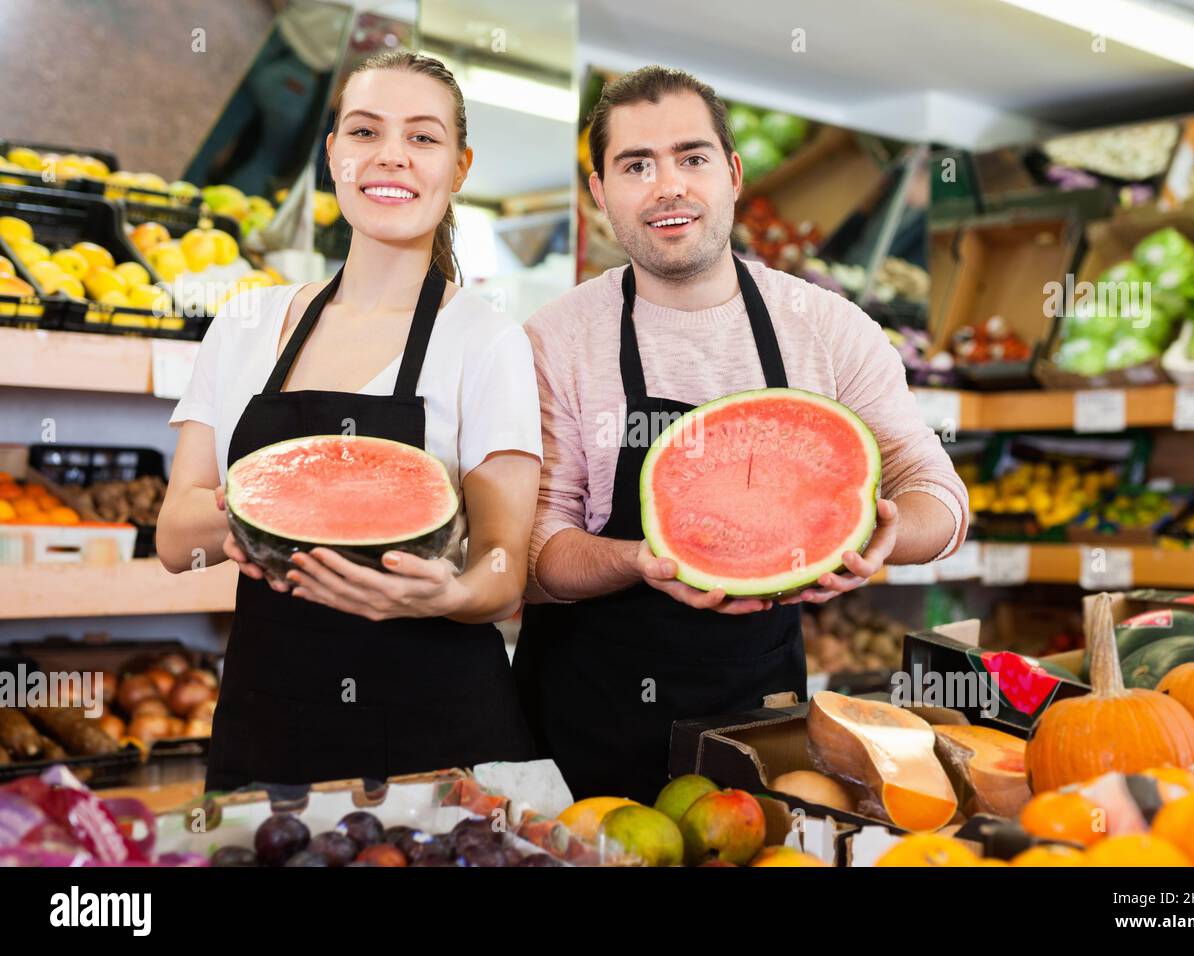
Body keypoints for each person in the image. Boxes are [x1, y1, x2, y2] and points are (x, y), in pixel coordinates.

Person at [513, 66, 970, 804]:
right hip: (583, 733)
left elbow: (938, 495)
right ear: (600, 193)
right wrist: (639, 558)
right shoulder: (554, 340)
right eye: (636, 165)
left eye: (692, 158)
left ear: (730, 173)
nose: (668, 187)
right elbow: (534, 555)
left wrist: (885, 536)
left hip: (757, 727)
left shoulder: (829, 328)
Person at [157, 52, 540, 792]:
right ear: (333, 154)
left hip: (433, 728)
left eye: (423, 138)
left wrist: (452, 596)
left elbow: (503, 565)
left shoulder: (487, 339)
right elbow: (176, 537)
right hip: (269, 719)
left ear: (458, 168)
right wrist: (263, 514)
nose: (390, 155)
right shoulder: (244, 323)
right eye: (364, 131)